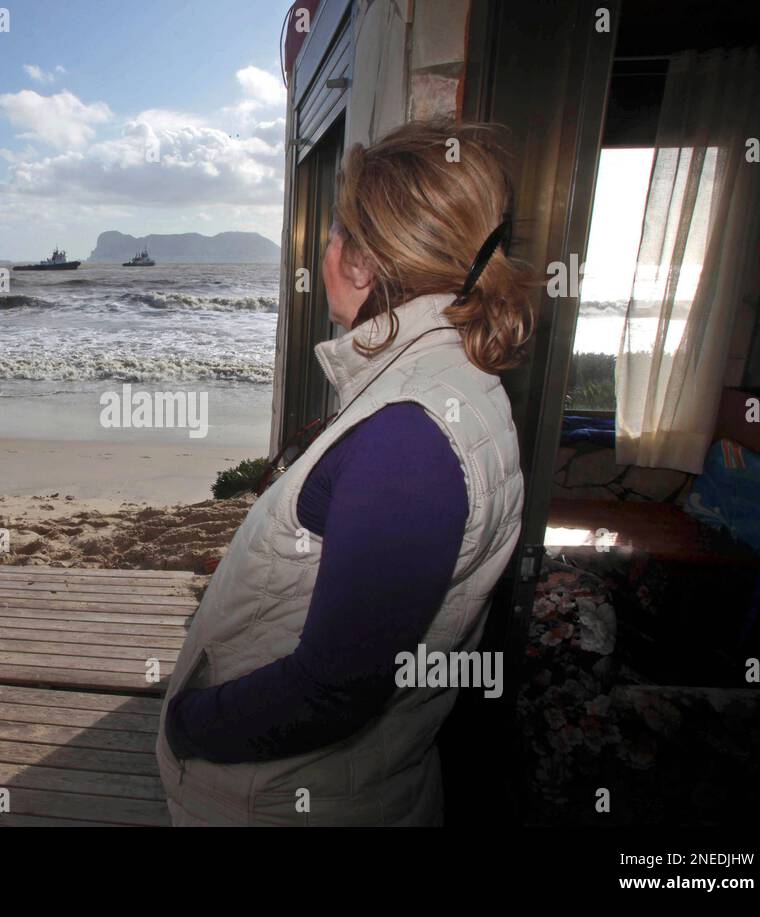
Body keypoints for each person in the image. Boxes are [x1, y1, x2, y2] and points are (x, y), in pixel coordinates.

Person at [156, 119, 537, 826]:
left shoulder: (408, 441)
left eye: (334, 234)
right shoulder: (452, 383)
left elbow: (333, 690)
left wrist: (192, 724)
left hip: (277, 800)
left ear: (363, 263)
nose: (324, 252)